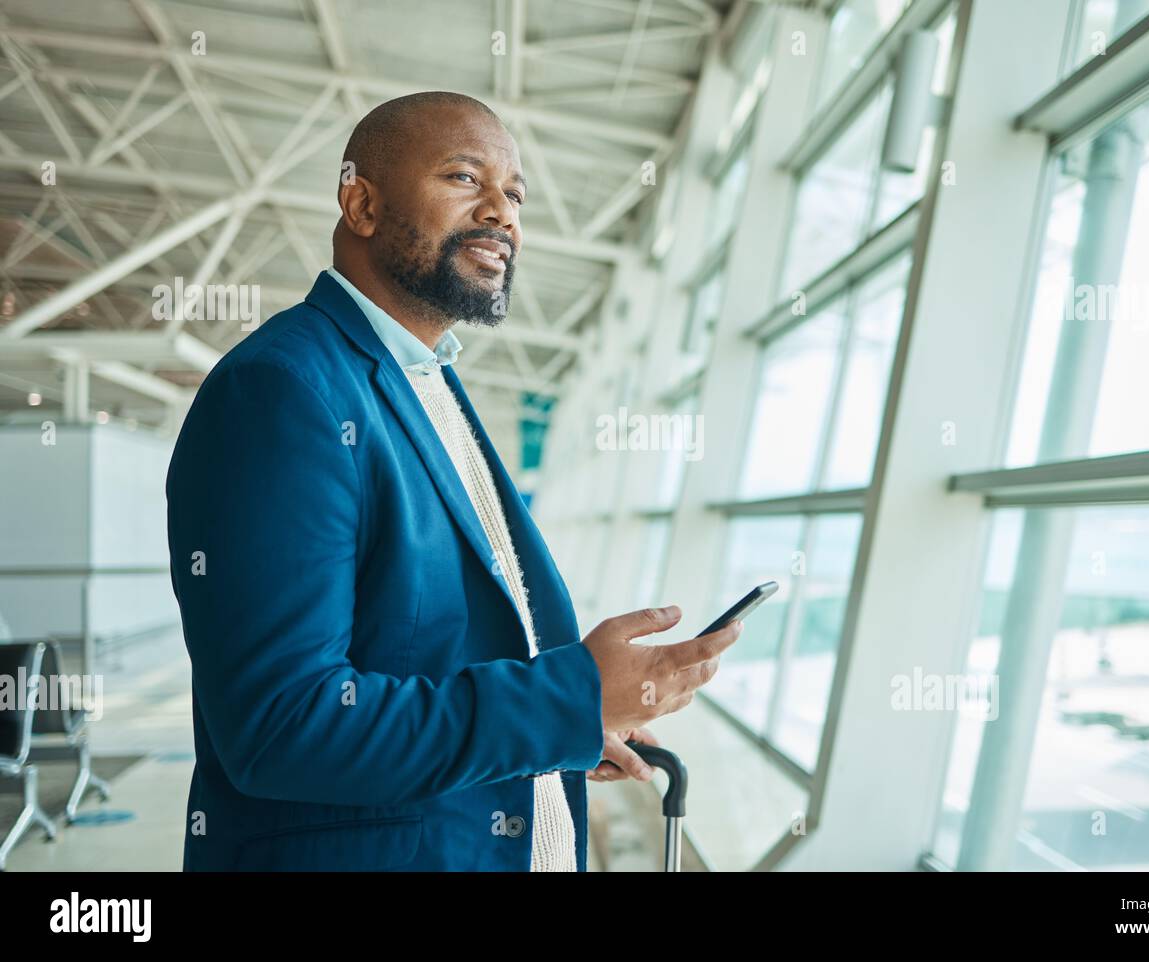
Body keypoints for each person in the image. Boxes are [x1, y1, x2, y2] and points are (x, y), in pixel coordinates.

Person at [165, 91, 740, 871]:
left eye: (516, 194)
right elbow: (284, 726)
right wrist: (564, 700)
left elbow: (427, 659)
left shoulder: (426, 383)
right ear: (360, 202)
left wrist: (568, 729)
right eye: (466, 179)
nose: (501, 212)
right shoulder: (283, 391)